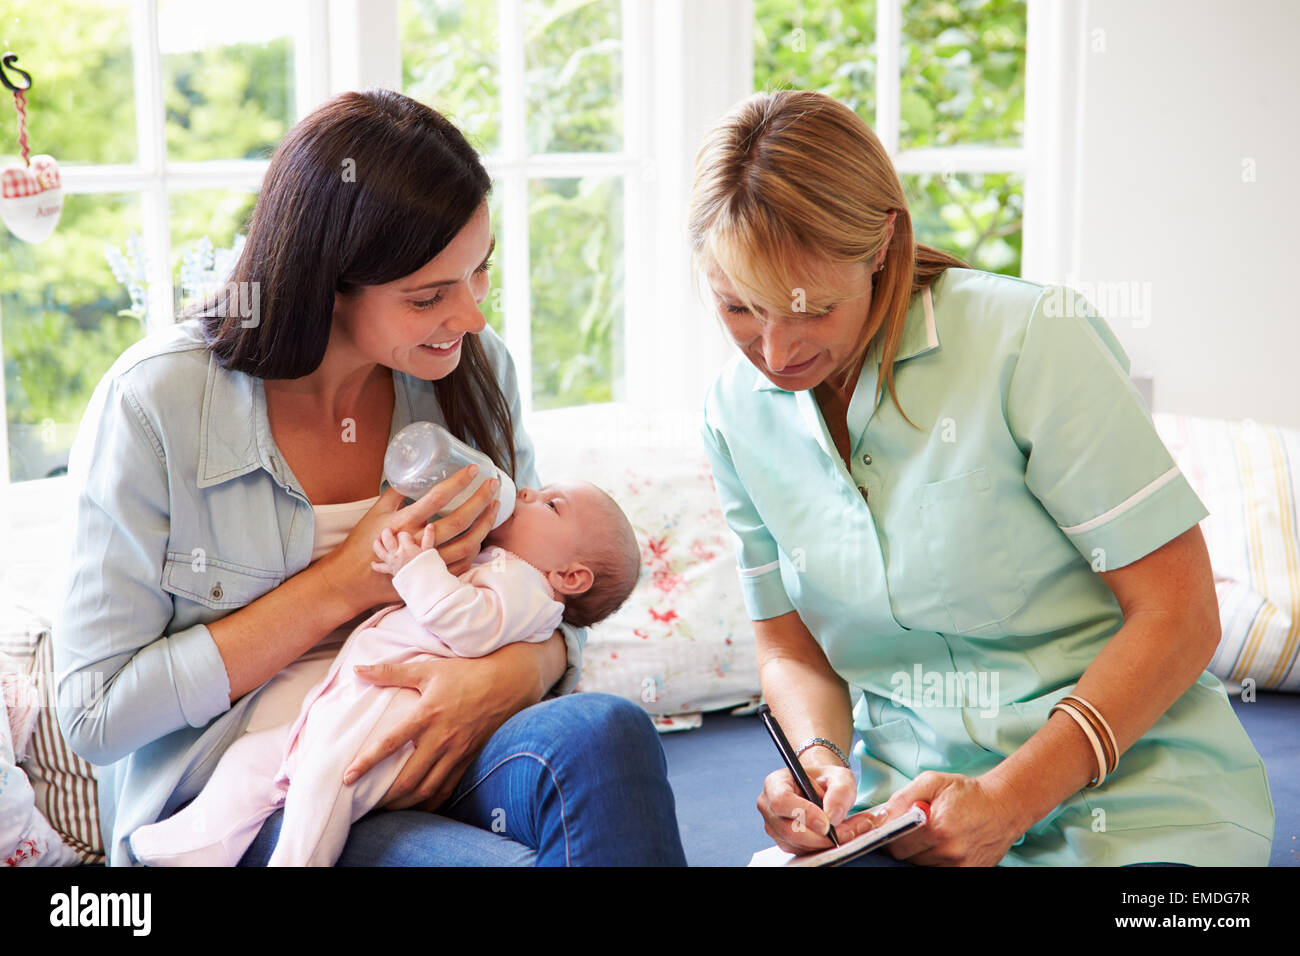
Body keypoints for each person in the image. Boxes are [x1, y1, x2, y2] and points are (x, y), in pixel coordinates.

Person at [55, 89, 686, 867]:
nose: (472, 318)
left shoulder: (473, 371)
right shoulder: (157, 405)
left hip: (447, 732)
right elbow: (94, 715)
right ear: (325, 284)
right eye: (429, 296)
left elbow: (547, 592)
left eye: (478, 273)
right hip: (265, 778)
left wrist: (520, 671)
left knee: (607, 732)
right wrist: (344, 584)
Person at [689, 90, 1273, 866]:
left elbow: (1182, 615)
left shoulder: (1030, 343)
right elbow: (792, 652)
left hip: (1140, 806)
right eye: (738, 308)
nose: (776, 349)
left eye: (814, 309)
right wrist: (821, 763)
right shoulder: (736, 413)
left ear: (881, 245)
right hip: (908, 824)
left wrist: (1011, 801)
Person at [127, 481, 641, 866]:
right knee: (255, 759)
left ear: (570, 577)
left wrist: (415, 568)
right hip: (352, 698)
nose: (527, 490)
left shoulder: (528, 589)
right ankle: (197, 842)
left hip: (393, 716)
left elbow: (470, 626)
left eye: (551, 505)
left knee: (324, 781)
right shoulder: (501, 565)